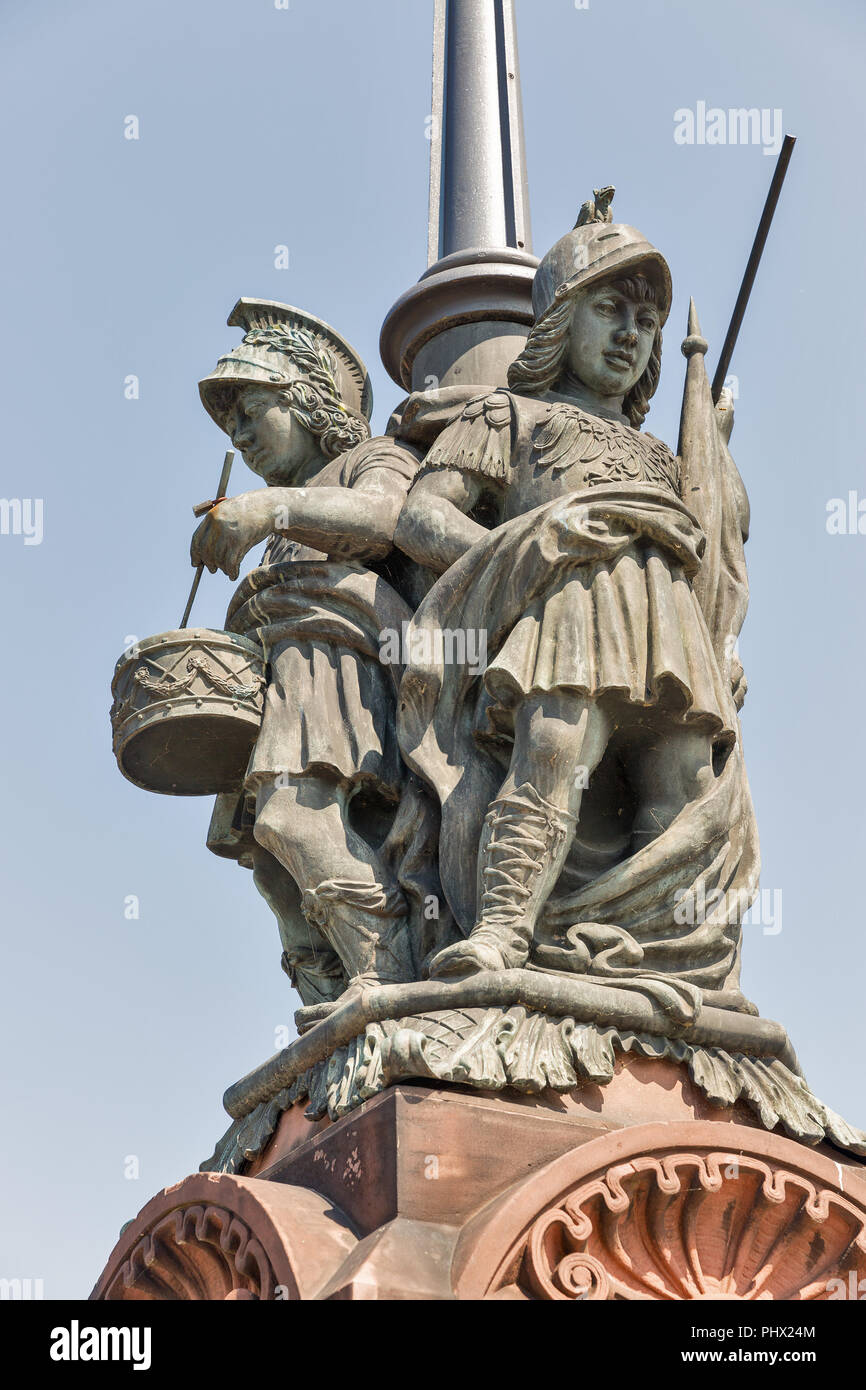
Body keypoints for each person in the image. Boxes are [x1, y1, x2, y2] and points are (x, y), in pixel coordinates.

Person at [395, 203, 755, 998]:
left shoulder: (662, 453)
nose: (632, 333)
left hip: (663, 619)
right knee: (553, 751)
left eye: (649, 320)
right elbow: (421, 518)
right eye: (610, 309)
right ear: (560, 318)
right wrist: (534, 547)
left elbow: (708, 554)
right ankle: (502, 933)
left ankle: (663, 945)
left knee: (684, 782)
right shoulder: (508, 415)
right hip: (568, 609)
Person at [193, 298, 424, 1015]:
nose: (238, 432)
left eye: (252, 408)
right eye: (230, 420)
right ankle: (329, 998)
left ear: (309, 399)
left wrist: (271, 509)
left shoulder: (370, 459)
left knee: (296, 818)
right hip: (279, 668)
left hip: (335, 660)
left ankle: (390, 975)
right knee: (268, 859)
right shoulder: (293, 501)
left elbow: (390, 520)